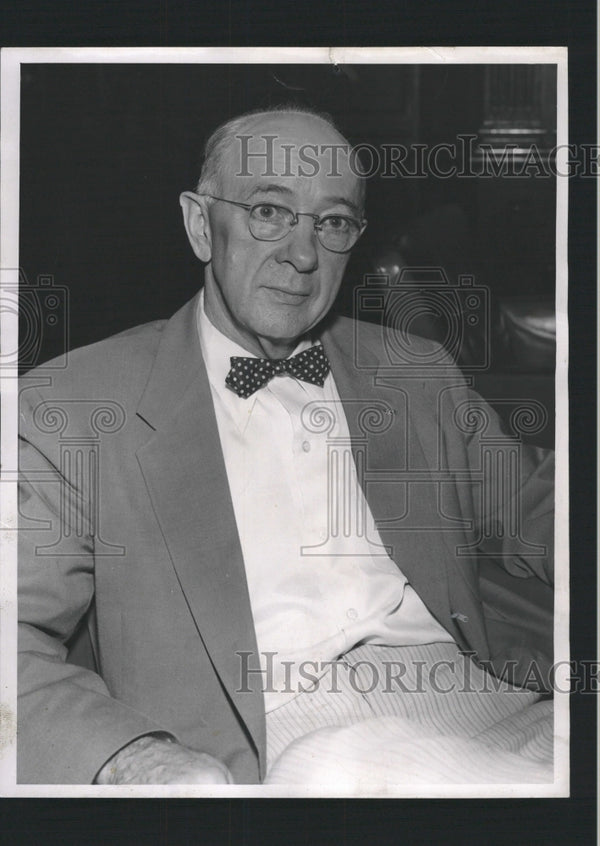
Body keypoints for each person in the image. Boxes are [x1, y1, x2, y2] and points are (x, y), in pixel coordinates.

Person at [18, 106, 554, 786]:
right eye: (269, 212)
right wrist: (134, 757)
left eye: (331, 223)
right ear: (198, 224)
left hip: (494, 712)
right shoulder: (74, 406)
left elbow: (549, 511)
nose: (302, 256)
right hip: (273, 743)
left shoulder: (413, 373)